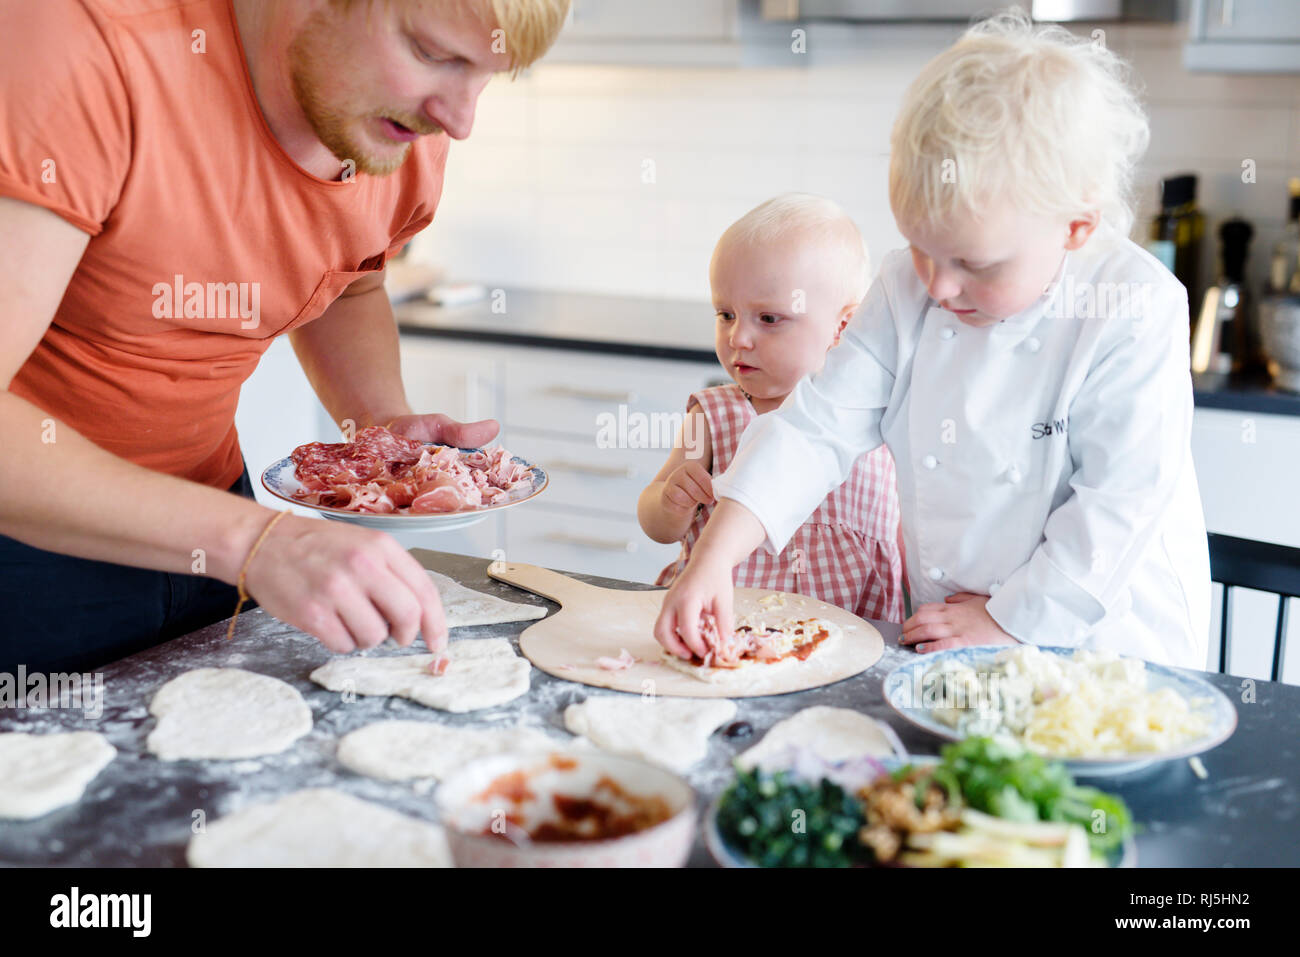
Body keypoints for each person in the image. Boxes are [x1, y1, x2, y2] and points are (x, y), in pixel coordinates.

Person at [0, 0, 569, 675]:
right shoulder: (85, 42)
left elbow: (349, 279)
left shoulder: (401, 127)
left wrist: (381, 428)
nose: (460, 119)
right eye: (434, 53)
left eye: (489, 75)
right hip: (29, 550)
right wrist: (259, 541)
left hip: (214, 523)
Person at [653, 9, 1211, 670]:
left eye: (974, 263)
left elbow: (1116, 508)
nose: (939, 287)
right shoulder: (903, 288)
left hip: (1103, 645)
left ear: (1075, 228)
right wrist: (716, 555)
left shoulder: (1134, 307)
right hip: (949, 631)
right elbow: (813, 430)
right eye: (921, 247)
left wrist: (1009, 617)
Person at [639, 194, 905, 623]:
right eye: (725, 314)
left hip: (849, 628)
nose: (738, 338)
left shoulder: (879, 419)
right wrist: (671, 503)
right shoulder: (711, 415)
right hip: (722, 620)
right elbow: (654, 520)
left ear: (844, 326)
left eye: (768, 319)